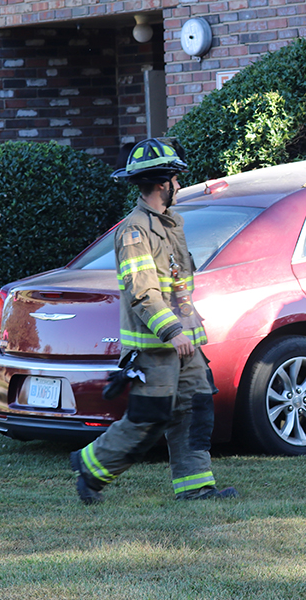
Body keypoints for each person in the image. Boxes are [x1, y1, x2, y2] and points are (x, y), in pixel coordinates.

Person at [70, 137, 238, 503]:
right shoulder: (134, 232)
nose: (179, 186)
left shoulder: (169, 224)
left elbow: (178, 282)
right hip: (156, 347)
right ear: (162, 184)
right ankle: (91, 465)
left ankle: (196, 489)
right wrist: (173, 330)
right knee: (150, 418)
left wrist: (187, 331)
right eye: (175, 180)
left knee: (194, 410)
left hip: (185, 344)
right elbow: (142, 291)